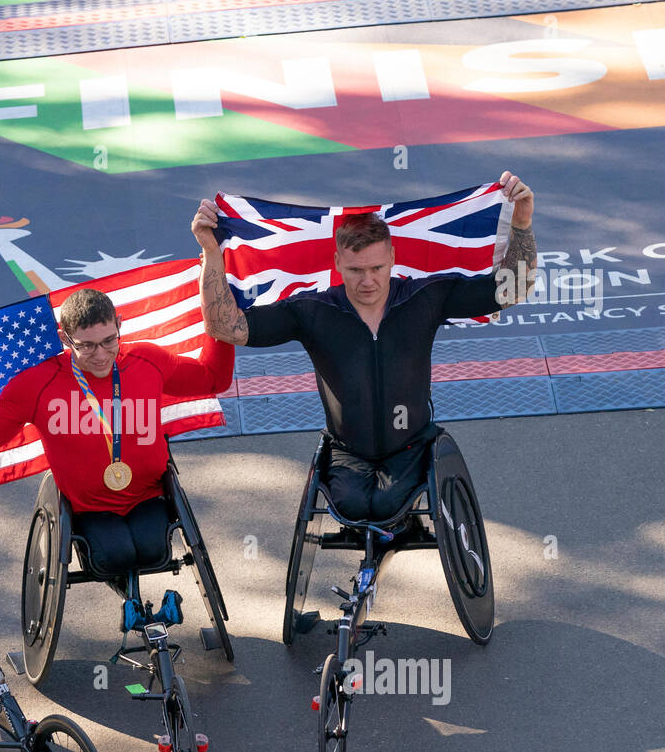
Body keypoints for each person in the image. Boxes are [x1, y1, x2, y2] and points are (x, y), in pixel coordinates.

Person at [191, 171, 536, 522]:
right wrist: (210, 251)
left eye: (377, 267)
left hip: (413, 446)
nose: (367, 280)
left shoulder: (425, 297)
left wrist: (521, 222)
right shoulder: (312, 311)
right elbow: (225, 326)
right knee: (354, 506)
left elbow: (510, 290)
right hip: (347, 451)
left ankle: (391, 532)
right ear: (338, 262)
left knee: (387, 506)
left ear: (393, 259)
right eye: (356, 270)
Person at [0, 287, 234, 576]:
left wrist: (222, 315)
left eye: (108, 340)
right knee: (115, 556)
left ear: (119, 325)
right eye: (86, 345)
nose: (101, 355)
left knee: (154, 552)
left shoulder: (146, 360)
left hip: (148, 495)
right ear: (65, 338)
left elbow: (212, 378)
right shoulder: (36, 384)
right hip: (91, 509)